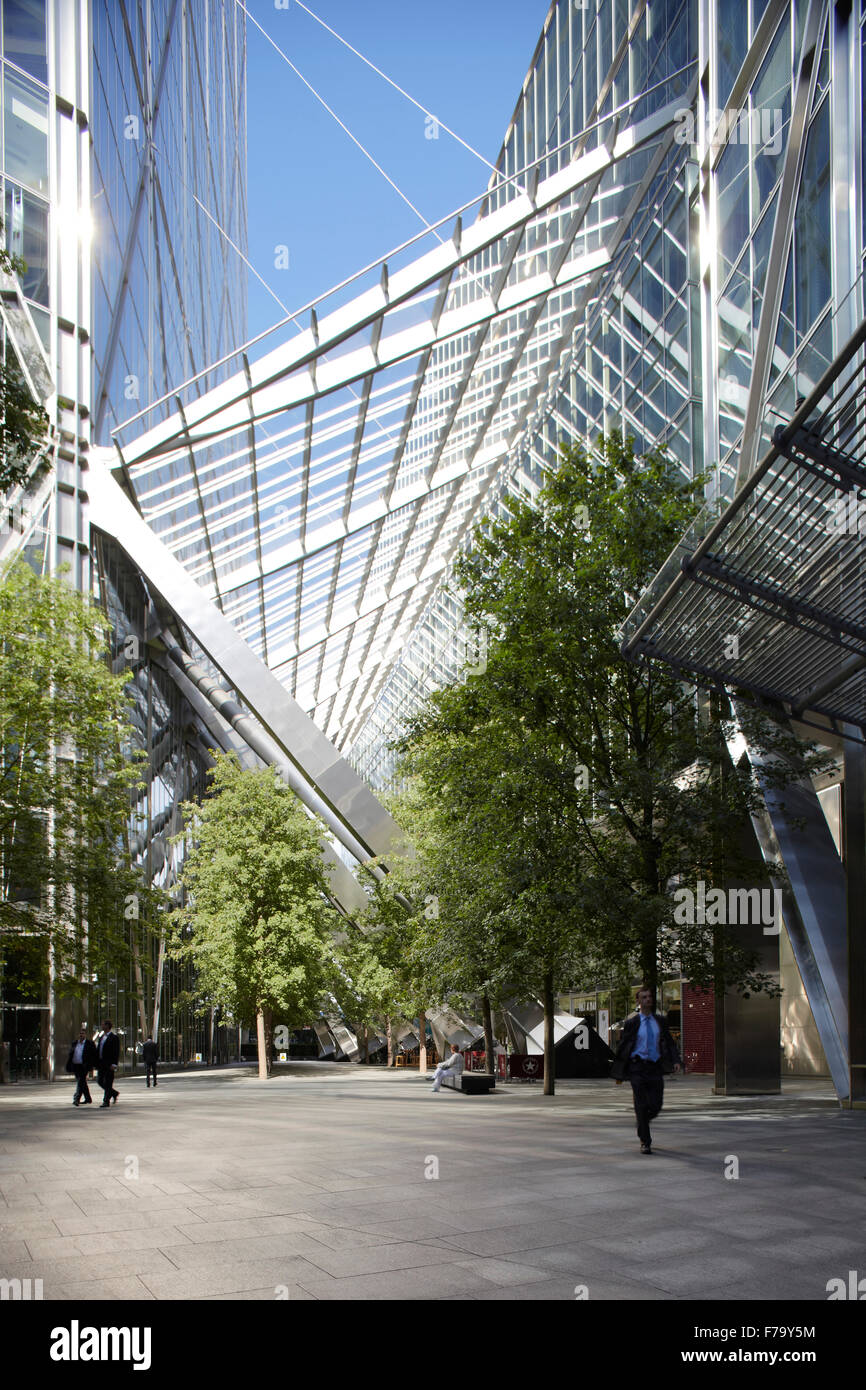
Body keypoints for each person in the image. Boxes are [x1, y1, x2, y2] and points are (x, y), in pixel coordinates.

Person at [611, 987, 681, 1153]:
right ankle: (645, 1141)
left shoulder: (660, 1021)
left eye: (650, 996)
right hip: (637, 1067)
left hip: (655, 1066)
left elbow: (669, 1043)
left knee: (656, 1104)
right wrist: (620, 1068)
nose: (648, 999)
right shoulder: (632, 1023)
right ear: (638, 1001)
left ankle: (642, 1121)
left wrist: (676, 1061)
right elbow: (624, 1046)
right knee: (641, 1104)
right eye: (644, 997)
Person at [66, 1026, 97, 1106]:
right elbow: (71, 1054)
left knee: (80, 1081)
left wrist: (93, 1064)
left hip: (84, 1066)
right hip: (76, 1065)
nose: (81, 1035)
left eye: (83, 1034)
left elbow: (94, 1055)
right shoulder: (74, 1043)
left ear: (85, 1035)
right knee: (82, 1082)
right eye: (80, 1034)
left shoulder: (90, 1043)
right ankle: (88, 1098)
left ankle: (76, 1099)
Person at [96, 1019, 120, 1108]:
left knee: (108, 1082)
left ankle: (106, 1101)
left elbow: (116, 1052)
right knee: (100, 1081)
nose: (102, 1026)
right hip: (101, 1063)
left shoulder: (114, 1037)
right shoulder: (102, 1037)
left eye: (103, 1025)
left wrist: (114, 1064)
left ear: (107, 1026)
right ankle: (114, 1093)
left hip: (109, 1064)